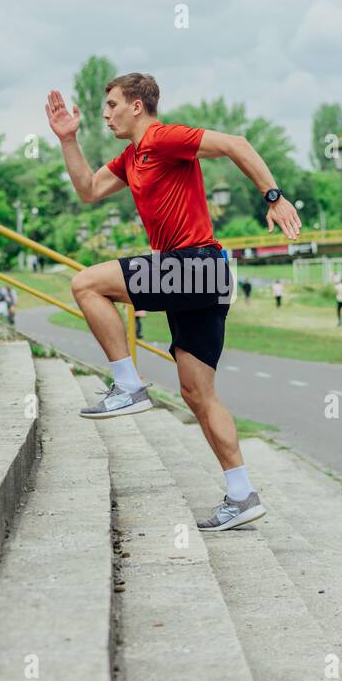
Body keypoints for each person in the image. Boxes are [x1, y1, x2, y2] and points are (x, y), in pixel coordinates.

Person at [47, 73, 301, 531]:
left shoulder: (164, 138)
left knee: (86, 283)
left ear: (138, 106)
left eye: (111, 105)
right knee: (197, 393)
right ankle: (241, 495)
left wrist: (274, 197)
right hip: (206, 275)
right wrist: (68, 139)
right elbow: (88, 190)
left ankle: (127, 384)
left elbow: (237, 144)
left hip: (192, 266)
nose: (105, 115)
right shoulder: (132, 157)